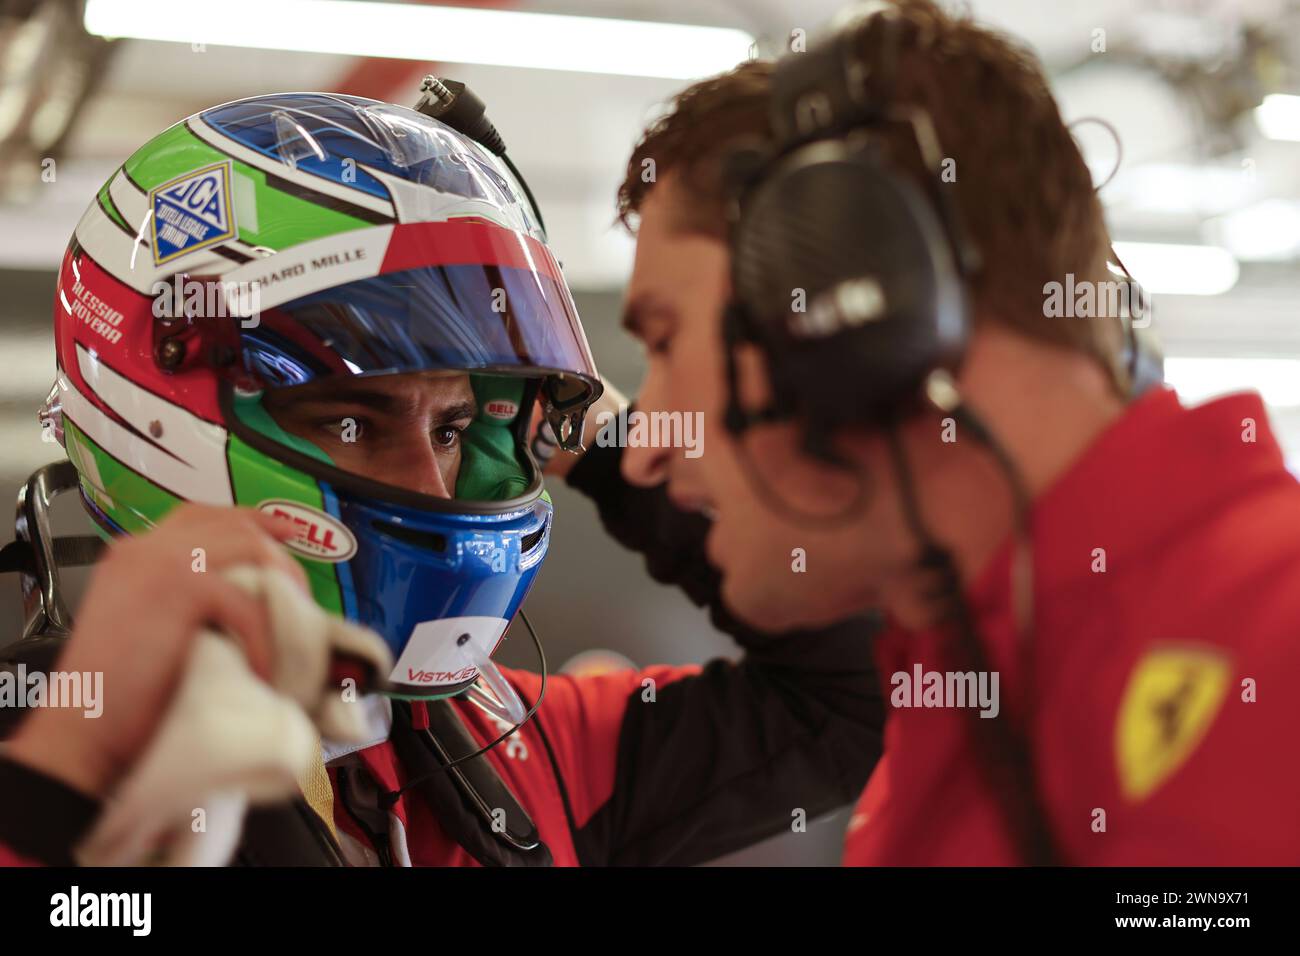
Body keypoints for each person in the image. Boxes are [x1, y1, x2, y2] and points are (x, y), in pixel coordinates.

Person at [0, 90, 883, 866]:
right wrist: (65, 795)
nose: (431, 482)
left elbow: (855, 696)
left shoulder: (515, 744)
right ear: (162, 420)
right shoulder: (46, 769)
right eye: (355, 421)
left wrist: (591, 434)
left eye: (456, 426)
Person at [610, 0, 1300, 864]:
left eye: (668, 340)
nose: (641, 450)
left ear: (853, 311)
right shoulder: (954, 718)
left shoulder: (1275, 638)